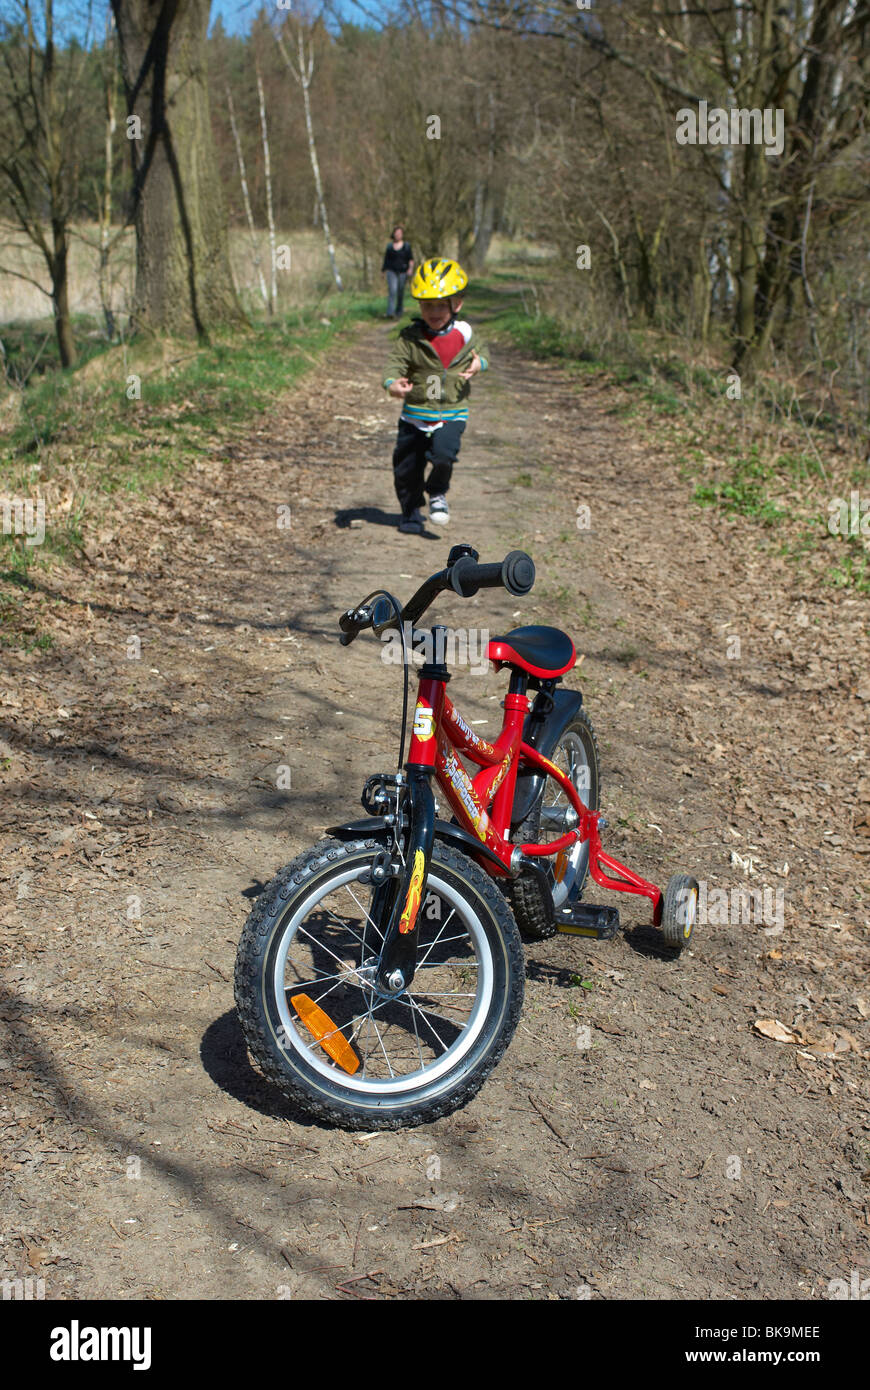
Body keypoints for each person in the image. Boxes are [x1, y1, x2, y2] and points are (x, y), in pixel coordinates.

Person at [382, 257, 488, 534]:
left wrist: (479, 365)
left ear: (457, 304)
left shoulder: (466, 335)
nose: (434, 311)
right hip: (415, 414)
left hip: (452, 411)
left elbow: (483, 355)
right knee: (407, 468)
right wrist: (391, 382)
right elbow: (395, 363)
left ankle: (437, 493)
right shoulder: (411, 338)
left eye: (441, 305)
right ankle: (410, 511)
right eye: (427, 305)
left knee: (444, 455)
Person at [381, 226, 414, 319]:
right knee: (392, 290)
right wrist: (383, 271)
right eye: (397, 233)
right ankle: (390, 312)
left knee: (400, 291)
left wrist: (410, 269)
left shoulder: (406, 246)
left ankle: (399, 311)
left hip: (403, 271)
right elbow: (386, 259)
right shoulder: (390, 246)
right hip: (391, 271)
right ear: (394, 234)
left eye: (400, 233)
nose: (398, 235)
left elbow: (411, 259)